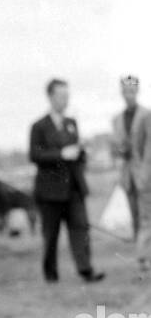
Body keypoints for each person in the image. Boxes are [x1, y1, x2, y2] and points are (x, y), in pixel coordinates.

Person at [29, 80, 104, 284]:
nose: (66, 99)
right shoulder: (39, 126)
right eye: (62, 95)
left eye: (67, 95)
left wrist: (81, 152)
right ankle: (51, 275)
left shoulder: (72, 123)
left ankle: (86, 270)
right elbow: (35, 155)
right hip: (49, 192)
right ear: (51, 97)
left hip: (73, 189)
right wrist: (61, 153)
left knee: (81, 230)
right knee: (51, 235)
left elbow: (76, 155)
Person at [111, 75, 151, 276]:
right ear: (122, 93)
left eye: (132, 91)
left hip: (144, 175)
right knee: (136, 217)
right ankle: (142, 258)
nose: (129, 95)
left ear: (137, 91)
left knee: (146, 217)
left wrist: (145, 173)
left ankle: (143, 258)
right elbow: (116, 148)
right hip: (128, 178)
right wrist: (119, 150)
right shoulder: (117, 119)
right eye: (126, 91)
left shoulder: (146, 115)